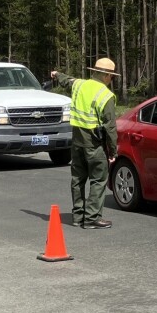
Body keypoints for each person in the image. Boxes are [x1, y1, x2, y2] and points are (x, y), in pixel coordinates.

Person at [51, 58, 119, 229]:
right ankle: (92, 218)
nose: (111, 80)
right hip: (94, 144)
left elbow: (67, 81)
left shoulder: (80, 85)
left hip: (77, 143)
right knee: (98, 180)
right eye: (111, 76)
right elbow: (110, 127)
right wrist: (113, 152)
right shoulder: (106, 95)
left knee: (78, 179)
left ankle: (78, 216)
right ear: (106, 75)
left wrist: (57, 74)